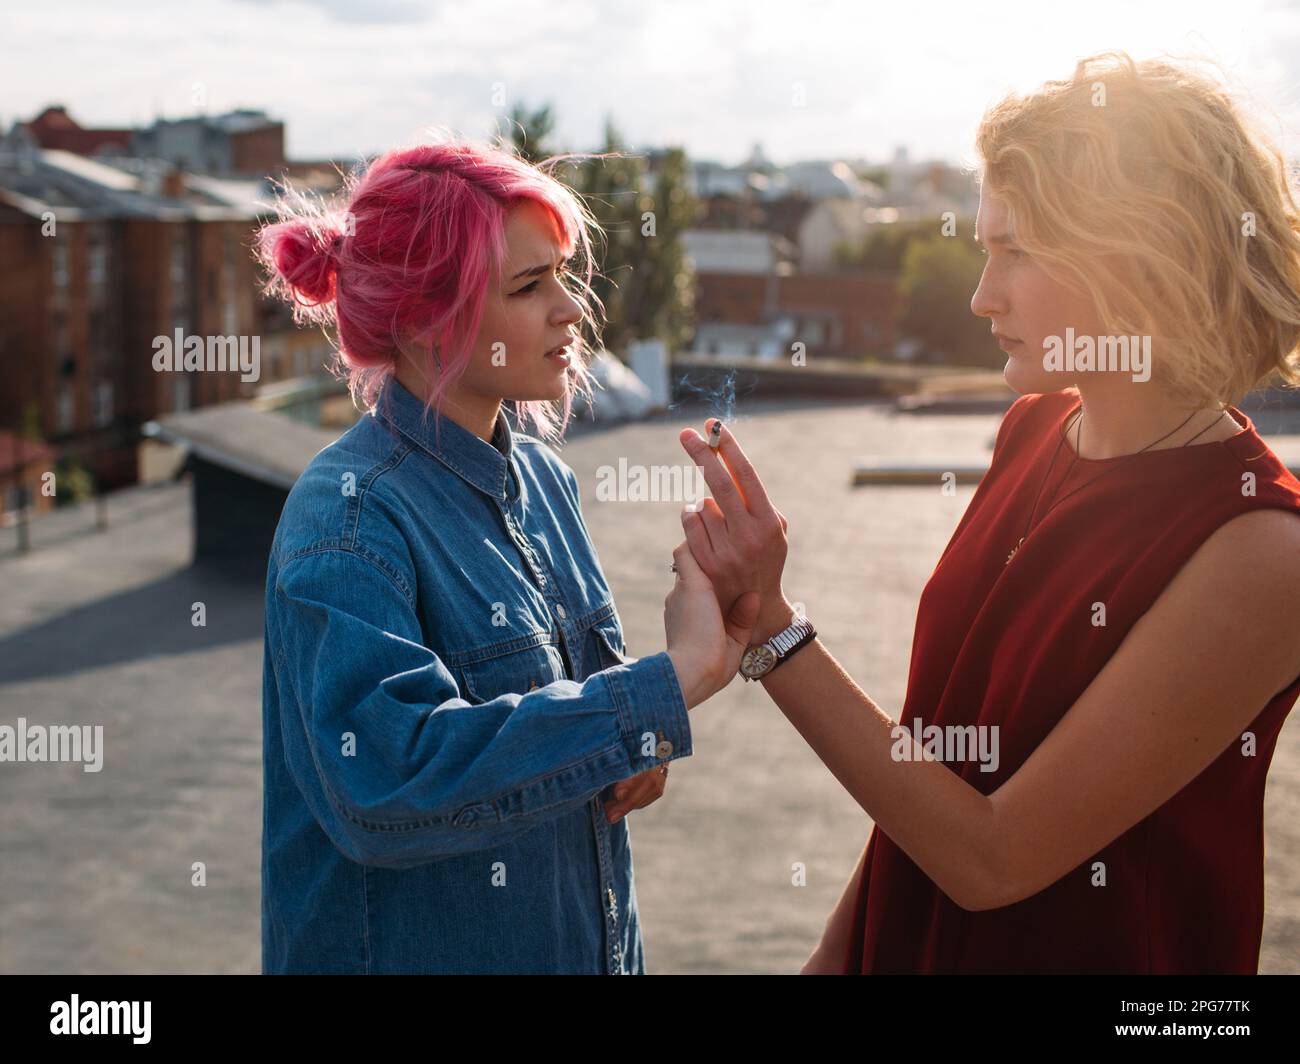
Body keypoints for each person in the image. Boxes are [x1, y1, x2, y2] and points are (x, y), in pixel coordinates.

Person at [676, 51, 1300, 974]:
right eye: (983, 250)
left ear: (1137, 259)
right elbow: (928, 787)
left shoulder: (1263, 549)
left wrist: (772, 631)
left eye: (1017, 252)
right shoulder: (1033, 431)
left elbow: (992, 856)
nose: (981, 295)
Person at [255, 139, 754, 974]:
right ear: (419, 317)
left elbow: (562, 724)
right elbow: (383, 784)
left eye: (562, 272)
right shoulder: (347, 518)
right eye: (529, 285)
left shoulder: (545, 480)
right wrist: (664, 690)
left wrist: (638, 749)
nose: (571, 309)